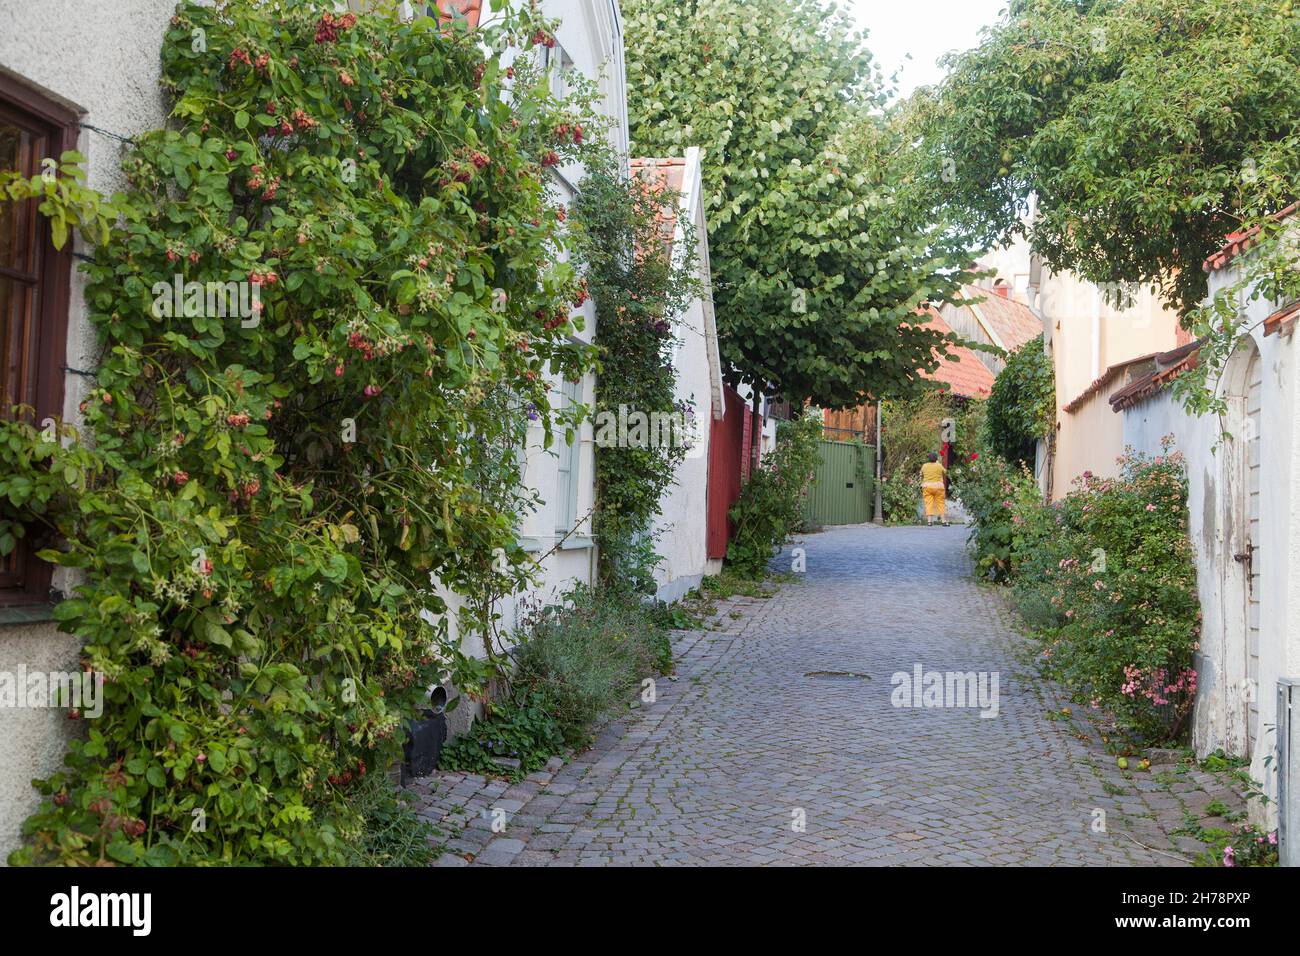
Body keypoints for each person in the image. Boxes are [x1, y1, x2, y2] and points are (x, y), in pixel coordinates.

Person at [920, 452, 948, 526]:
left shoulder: (924, 466)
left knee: (928, 503)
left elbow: (921, 474)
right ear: (936, 459)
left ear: (929, 458)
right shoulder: (939, 465)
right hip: (938, 487)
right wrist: (938, 464)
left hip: (927, 486)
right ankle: (943, 521)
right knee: (940, 503)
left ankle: (929, 521)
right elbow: (945, 472)